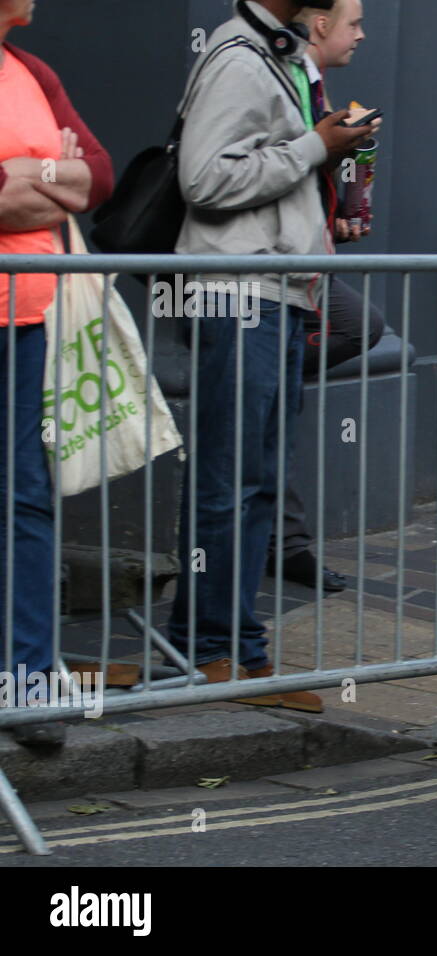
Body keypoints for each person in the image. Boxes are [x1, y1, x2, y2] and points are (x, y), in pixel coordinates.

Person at [166, 0, 377, 714]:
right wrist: (316, 147)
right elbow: (204, 180)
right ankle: (206, 649)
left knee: (256, 482)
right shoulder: (236, 56)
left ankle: (238, 648)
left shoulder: (276, 56)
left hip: (276, 294)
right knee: (229, 482)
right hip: (238, 292)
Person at [0, 0, 114, 748]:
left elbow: (97, 176)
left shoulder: (30, 70)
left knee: (26, 499)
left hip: (26, 318)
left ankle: (29, 681)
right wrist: (51, 176)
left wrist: (27, 174)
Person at [267, 0, 384, 592]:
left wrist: (343, 208)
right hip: (265, 274)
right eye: (354, 23)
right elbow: (274, 166)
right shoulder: (283, 75)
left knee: (283, 390)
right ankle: (281, 546)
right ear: (319, 25)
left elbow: (307, 171)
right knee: (273, 395)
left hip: (299, 269)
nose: (362, 34)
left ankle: (284, 544)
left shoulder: (315, 88)